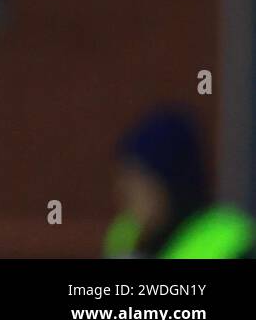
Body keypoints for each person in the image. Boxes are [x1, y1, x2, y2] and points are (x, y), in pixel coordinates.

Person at [104, 106, 255, 258]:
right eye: (125, 181)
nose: (126, 195)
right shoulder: (125, 234)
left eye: (139, 182)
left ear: (170, 186)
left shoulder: (230, 236)